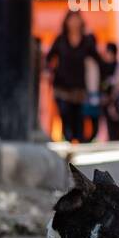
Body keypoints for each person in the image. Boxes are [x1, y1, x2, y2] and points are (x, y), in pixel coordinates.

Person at [45, 10, 99, 143]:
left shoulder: (87, 41)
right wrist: (48, 71)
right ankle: (68, 140)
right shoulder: (60, 40)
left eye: (77, 19)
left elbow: (97, 61)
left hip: (79, 87)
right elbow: (49, 58)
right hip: (61, 86)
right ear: (66, 22)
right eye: (71, 19)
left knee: (78, 117)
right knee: (65, 115)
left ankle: (77, 144)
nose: (74, 22)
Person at [100, 42, 119, 141]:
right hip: (112, 99)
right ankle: (115, 140)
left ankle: (115, 140)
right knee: (113, 124)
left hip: (115, 99)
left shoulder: (112, 66)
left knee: (115, 124)